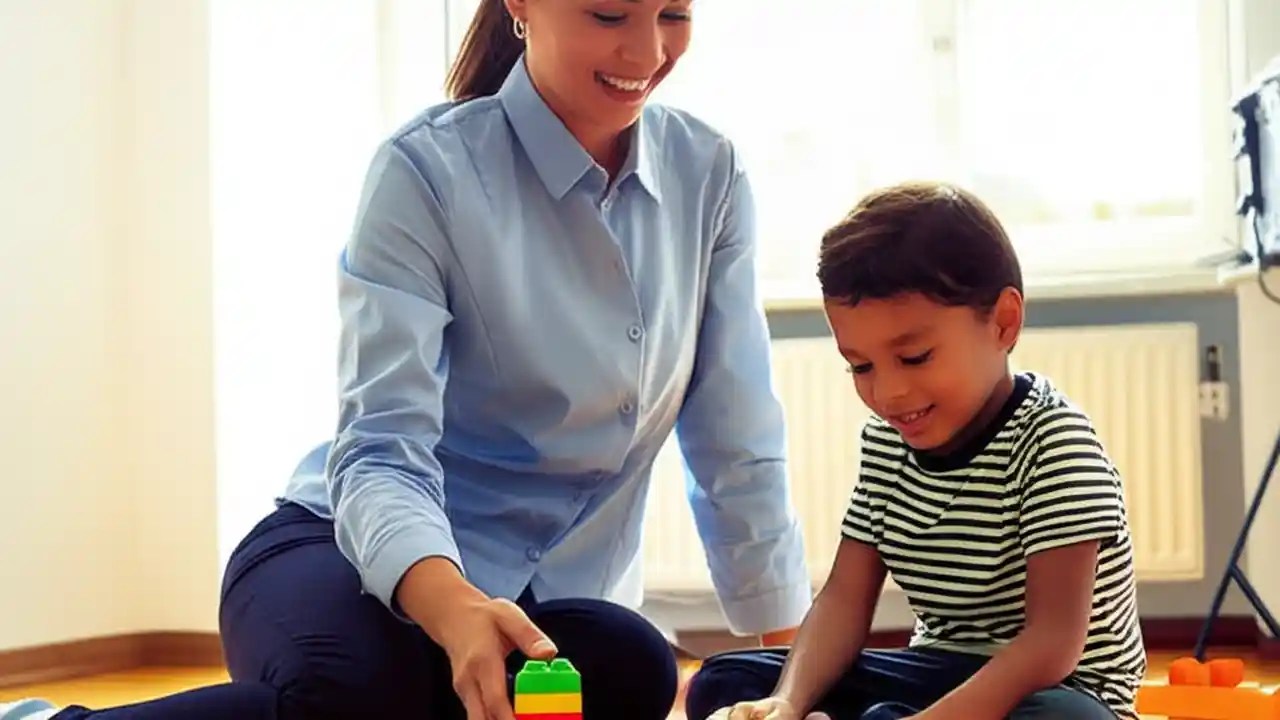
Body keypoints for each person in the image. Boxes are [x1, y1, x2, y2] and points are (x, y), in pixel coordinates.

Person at [0, 1, 811, 719]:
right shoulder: (426, 172)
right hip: (345, 551)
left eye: (674, 14)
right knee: (356, 690)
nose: (646, 53)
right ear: (520, 4)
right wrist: (453, 610)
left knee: (633, 668)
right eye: (609, 17)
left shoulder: (711, 174)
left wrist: (794, 677)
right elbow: (382, 446)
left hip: (546, 603)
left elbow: (735, 432)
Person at [684, 182, 1147, 720]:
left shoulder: (1054, 443)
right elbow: (842, 601)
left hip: (1057, 690)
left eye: (916, 357)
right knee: (727, 681)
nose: (887, 394)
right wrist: (786, 701)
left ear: (1003, 322)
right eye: (861, 366)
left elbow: (1051, 646)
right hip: (935, 672)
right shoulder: (886, 444)